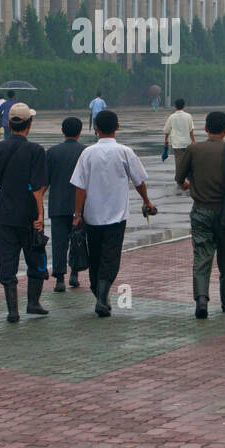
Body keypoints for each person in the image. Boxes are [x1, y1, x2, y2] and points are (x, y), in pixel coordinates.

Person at [70, 110, 153, 318]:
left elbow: (80, 187)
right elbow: (139, 182)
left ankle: (99, 294)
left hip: (92, 215)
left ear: (96, 128)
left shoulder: (87, 153)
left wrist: (77, 213)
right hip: (117, 216)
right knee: (111, 257)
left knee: (95, 255)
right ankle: (102, 295)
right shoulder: (125, 152)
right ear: (117, 127)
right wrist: (146, 201)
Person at [176, 111, 225, 318]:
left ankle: (201, 299)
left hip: (200, 211)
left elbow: (179, 177)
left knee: (202, 256)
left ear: (206, 128)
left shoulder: (193, 149)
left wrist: (190, 184)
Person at [0, 102, 49, 322]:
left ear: (9, 124)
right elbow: (38, 188)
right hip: (29, 212)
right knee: (35, 255)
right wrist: (40, 215)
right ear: (29, 124)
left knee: (6, 259)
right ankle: (33, 302)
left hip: (5, 212)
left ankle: (12, 309)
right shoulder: (36, 151)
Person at [46, 116, 87, 292]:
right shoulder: (86, 152)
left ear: (63, 131)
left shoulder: (52, 152)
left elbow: (45, 180)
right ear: (80, 132)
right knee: (77, 240)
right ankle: (75, 274)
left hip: (57, 204)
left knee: (59, 242)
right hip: (79, 205)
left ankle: (59, 279)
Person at [163, 97, 195, 176]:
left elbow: (167, 130)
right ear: (184, 106)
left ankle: (180, 178)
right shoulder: (188, 116)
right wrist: (194, 141)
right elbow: (191, 130)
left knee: (178, 162)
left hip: (177, 144)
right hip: (187, 143)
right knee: (188, 161)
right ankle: (188, 177)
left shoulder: (171, 117)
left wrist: (166, 140)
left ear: (175, 106)